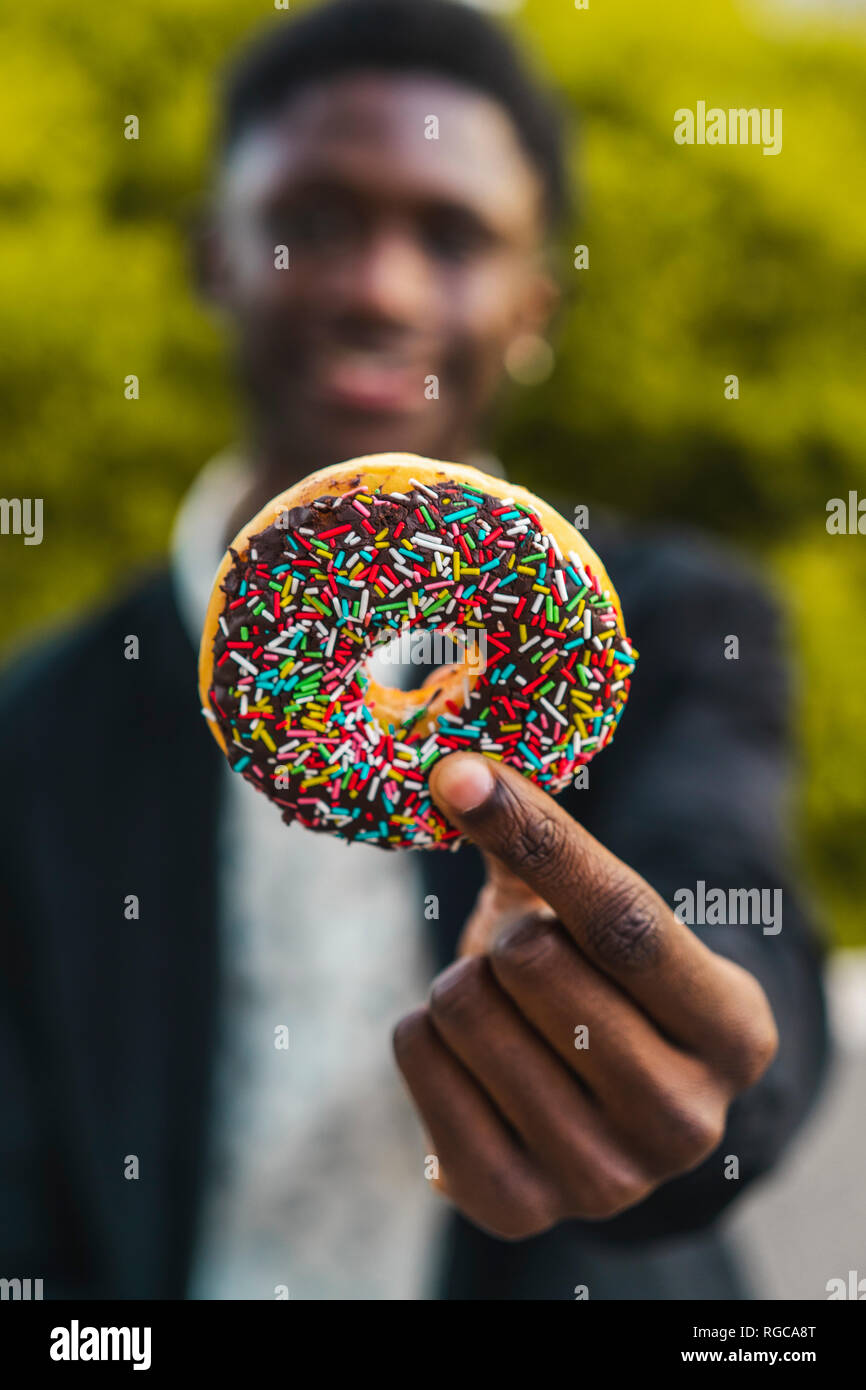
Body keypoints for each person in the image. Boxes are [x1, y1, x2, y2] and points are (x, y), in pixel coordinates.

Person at [0, 0, 829, 1301]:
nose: (377, 287)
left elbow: (729, 885)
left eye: (451, 235)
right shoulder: (41, 724)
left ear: (530, 303)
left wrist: (711, 1070)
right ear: (213, 256)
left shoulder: (665, 621)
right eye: (311, 223)